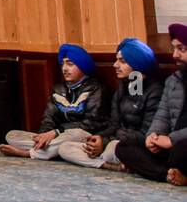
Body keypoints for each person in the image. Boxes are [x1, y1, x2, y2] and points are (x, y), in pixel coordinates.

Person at [57, 38, 162, 171]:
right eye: (116, 60)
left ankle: (105, 160)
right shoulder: (124, 87)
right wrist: (100, 137)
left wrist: (106, 141)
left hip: (131, 145)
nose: (115, 65)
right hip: (115, 140)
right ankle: (108, 165)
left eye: (122, 61)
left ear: (137, 64)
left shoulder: (154, 91)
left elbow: (146, 134)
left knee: (112, 149)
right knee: (65, 148)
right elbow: (114, 124)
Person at [0, 44, 107, 159]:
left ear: (83, 66)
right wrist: (44, 135)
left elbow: (91, 123)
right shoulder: (58, 89)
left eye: (70, 64)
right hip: (58, 135)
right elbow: (49, 117)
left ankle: (29, 153)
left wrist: (57, 132)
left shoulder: (96, 88)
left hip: (81, 134)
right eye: (63, 64)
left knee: (75, 134)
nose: (64, 69)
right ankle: (48, 149)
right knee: (11, 135)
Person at [115, 23, 187, 185]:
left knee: (181, 150)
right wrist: (152, 136)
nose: (175, 54)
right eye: (173, 49)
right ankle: (168, 175)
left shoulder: (150, 87)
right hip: (169, 146)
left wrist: (171, 140)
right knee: (123, 147)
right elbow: (162, 115)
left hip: (180, 145)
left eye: (181, 49)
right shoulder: (173, 81)